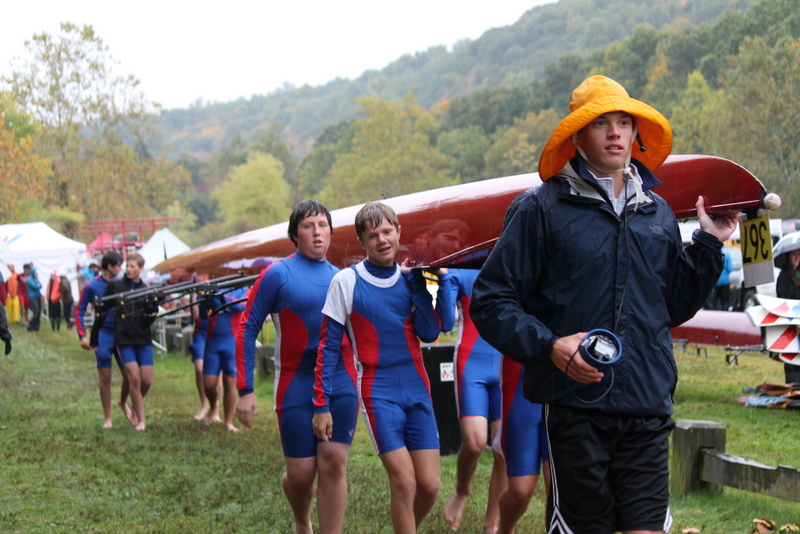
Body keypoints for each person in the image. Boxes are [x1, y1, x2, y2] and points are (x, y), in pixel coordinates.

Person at [470, 75, 737, 534]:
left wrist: (709, 244)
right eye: (601, 124)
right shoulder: (538, 209)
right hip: (576, 406)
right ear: (577, 135)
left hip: (648, 405)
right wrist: (550, 345)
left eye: (624, 122)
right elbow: (491, 300)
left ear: (636, 134)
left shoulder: (657, 213)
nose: (615, 133)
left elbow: (667, 306)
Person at [312, 201, 453, 534]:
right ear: (362, 241)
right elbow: (328, 348)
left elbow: (432, 332)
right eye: (373, 235)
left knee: (430, 486)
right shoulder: (345, 282)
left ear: (398, 232)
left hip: (418, 387)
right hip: (378, 391)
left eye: (387, 231)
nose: (382, 240)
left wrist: (421, 282)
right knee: (404, 482)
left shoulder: (412, 279)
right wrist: (321, 404)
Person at [236, 199, 359, 534]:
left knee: (333, 463)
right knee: (302, 476)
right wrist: (245, 390)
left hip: (341, 380)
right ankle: (301, 520)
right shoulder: (277, 274)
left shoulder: (345, 278)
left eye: (322, 225)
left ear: (331, 233)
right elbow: (247, 327)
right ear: (295, 234)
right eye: (308, 226)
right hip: (295, 381)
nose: (317, 232)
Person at [438, 268, 507, 533]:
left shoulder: (514, 264)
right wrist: (443, 278)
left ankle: (491, 526)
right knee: (475, 443)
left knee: (502, 449)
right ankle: (461, 491)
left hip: (505, 364)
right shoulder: (459, 273)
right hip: (472, 363)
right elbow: (445, 323)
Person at [97, 252, 156, 431]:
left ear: (141, 269)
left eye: (132, 266)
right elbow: (103, 310)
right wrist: (94, 338)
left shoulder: (145, 288)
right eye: (127, 266)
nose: (128, 269)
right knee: (134, 379)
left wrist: (153, 304)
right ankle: (141, 420)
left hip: (143, 339)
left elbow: (149, 317)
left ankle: (132, 401)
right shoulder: (116, 285)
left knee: (146, 381)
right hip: (123, 339)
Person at [75, 251, 135, 428]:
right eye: (119, 265)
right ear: (110, 266)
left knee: (129, 375)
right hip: (102, 335)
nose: (122, 268)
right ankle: (108, 418)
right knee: (105, 377)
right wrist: (82, 335)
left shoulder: (125, 284)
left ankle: (123, 402)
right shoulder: (92, 286)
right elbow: (79, 310)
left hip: (122, 334)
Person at [494, 357, 549, 534]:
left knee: (559, 491)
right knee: (520, 492)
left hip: (564, 384)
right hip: (520, 376)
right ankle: (504, 529)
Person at [198, 285, 248, 431]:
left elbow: (238, 306)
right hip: (212, 342)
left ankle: (228, 422)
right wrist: (203, 298)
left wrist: (215, 295)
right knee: (208, 384)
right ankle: (213, 406)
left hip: (232, 343)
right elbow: (203, 315)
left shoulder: (245, 290)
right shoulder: (214, 289)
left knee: (230, 384)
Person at [188, 293, 220, 422]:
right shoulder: (200, 284)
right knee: (200, 370)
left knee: (217, 373)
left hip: (217, 332)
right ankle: (205, 405)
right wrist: (194, 294)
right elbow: (196, 316)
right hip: (201, 332)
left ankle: (216, 409)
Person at [775, 248, 800, 383]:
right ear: (788, 256)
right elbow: (784, 297)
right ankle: (793, 386)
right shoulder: (784, 276)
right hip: (790, 322)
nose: (797, 257)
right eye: (794, 254)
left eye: (799, 254)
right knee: (791, 355)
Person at [26, 266, 43, 332]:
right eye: (36, 273)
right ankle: (30, 325)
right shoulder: (29, 279)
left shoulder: (36, 279)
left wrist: (38, 285)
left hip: (38, 296)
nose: (37, 274)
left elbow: (40, 285)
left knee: (38, 313)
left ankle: (36, 327)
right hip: (33, 297)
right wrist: (38, 285)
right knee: (36, 313)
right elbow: (36, 286)